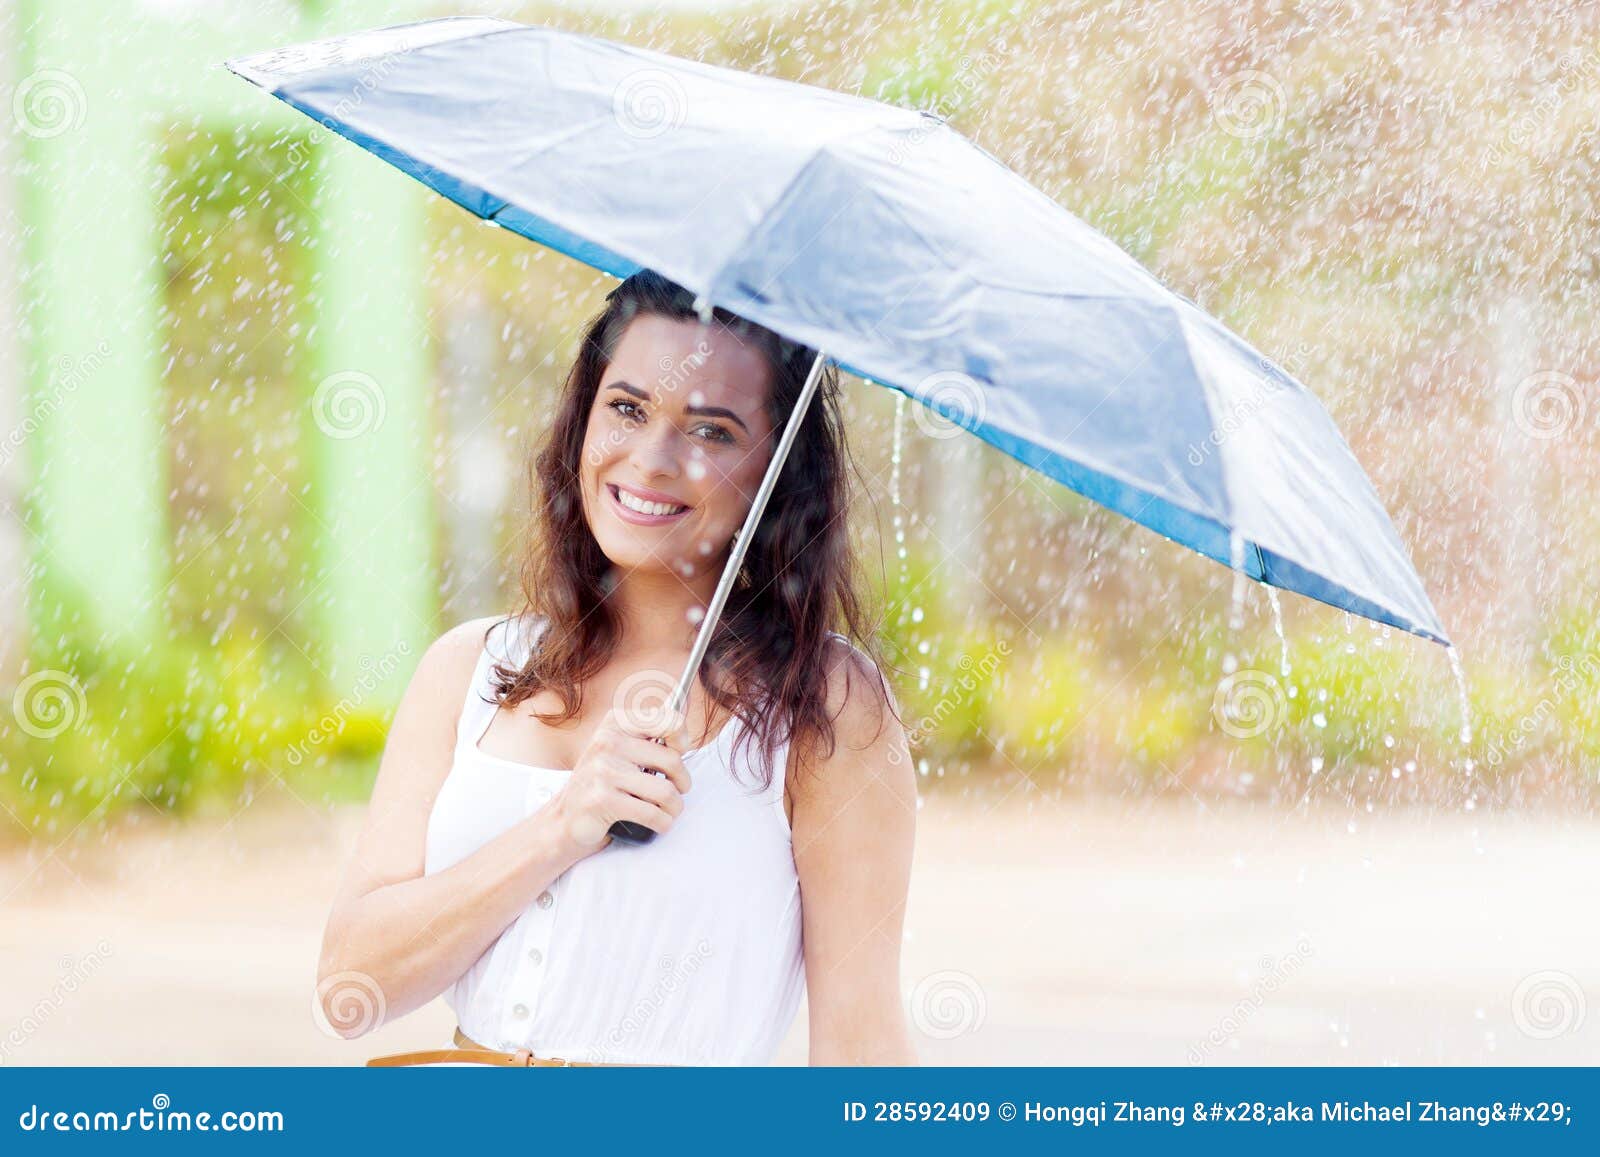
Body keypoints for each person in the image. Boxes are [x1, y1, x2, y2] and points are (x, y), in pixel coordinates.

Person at [314, 269, 919, 1066]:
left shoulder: (824, 708)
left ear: (775, 475)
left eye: (711, 431)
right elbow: (351, 988)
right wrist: (560, 828)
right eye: (627, 409)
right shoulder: (470, 668)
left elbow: (859, 1052)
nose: (651, 458)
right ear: (582, 422)